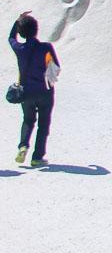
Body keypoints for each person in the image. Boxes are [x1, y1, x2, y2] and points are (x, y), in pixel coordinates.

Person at [9, 13, 59, 168]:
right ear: (36, 30)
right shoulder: (46, 47)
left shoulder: (19, 48)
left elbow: (11, 38)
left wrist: (17, 22)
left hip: (26, 93)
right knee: (43, 124)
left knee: (28, 120)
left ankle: (23, 146)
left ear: (21, 32)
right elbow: (56, 68)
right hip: (45, 91)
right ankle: (37, 157)